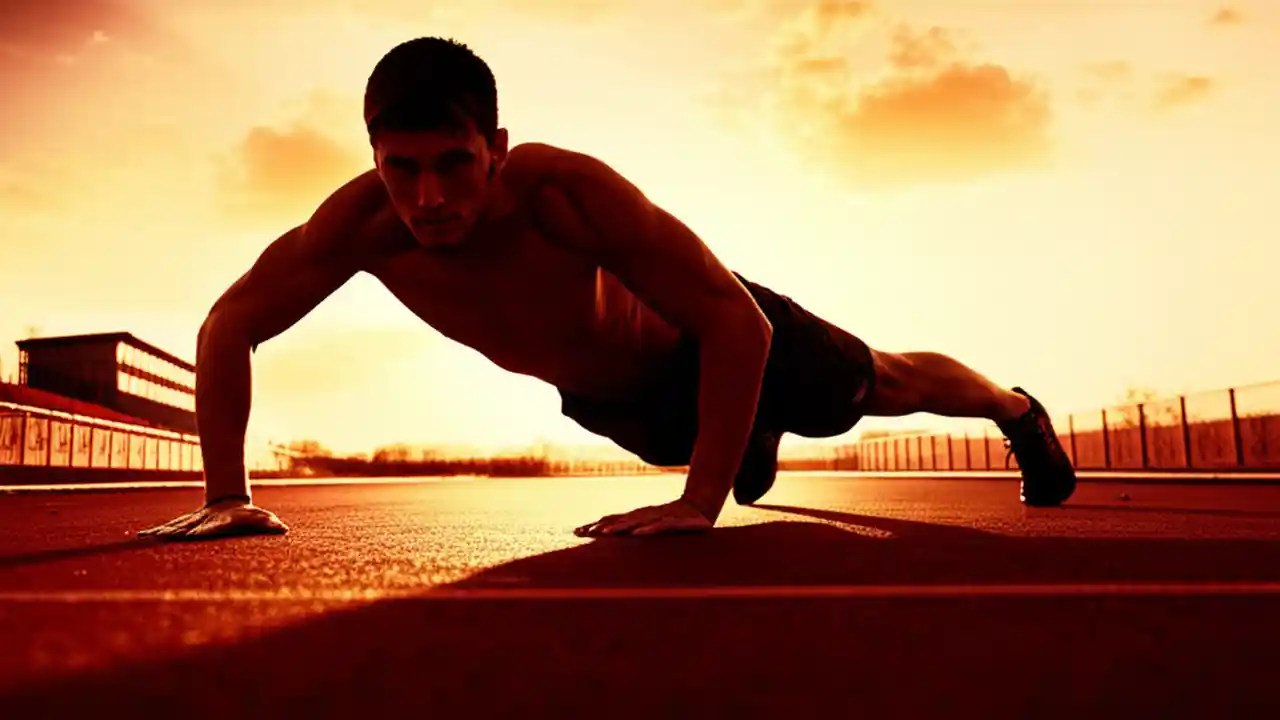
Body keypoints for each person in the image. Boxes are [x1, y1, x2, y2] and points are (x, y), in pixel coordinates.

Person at [139, 37, 1075, 541]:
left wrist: (696, 508)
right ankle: (738, 445)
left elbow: (733, 323)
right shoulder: (359, 227)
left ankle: (1013, 405)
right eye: (404, 168)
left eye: (455, 165)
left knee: (879, 387)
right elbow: (231, 323)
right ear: (377, 158)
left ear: (495, 151)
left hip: (721, 340)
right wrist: (227, 495)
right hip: (616, 405)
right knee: (713, 450)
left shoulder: (564, 194)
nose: (430, 197)